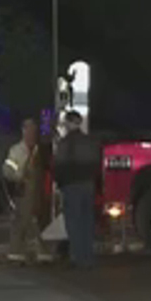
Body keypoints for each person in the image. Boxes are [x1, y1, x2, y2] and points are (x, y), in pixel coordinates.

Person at [55, 110, 100, 268]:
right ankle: (88, 257)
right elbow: (96, 164)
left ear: (68, 123)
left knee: (73, 222)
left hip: (71, 185)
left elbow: (59, 166)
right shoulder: (91, 141)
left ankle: (77, 257)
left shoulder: (65, 143)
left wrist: (59, 183)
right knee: (87, 221)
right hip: (88, 185)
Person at [4, 118, 44, 264]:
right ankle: (16, 252)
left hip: (39, 190)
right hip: (24, 189)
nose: (32, 133)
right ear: (23, 131)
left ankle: (36, 251)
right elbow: (8, 171)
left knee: (37, 220)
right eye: (29, 130)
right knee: (22, 220)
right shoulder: (16, 150)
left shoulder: (40, 150)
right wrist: (19, 177)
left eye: (34, 130)